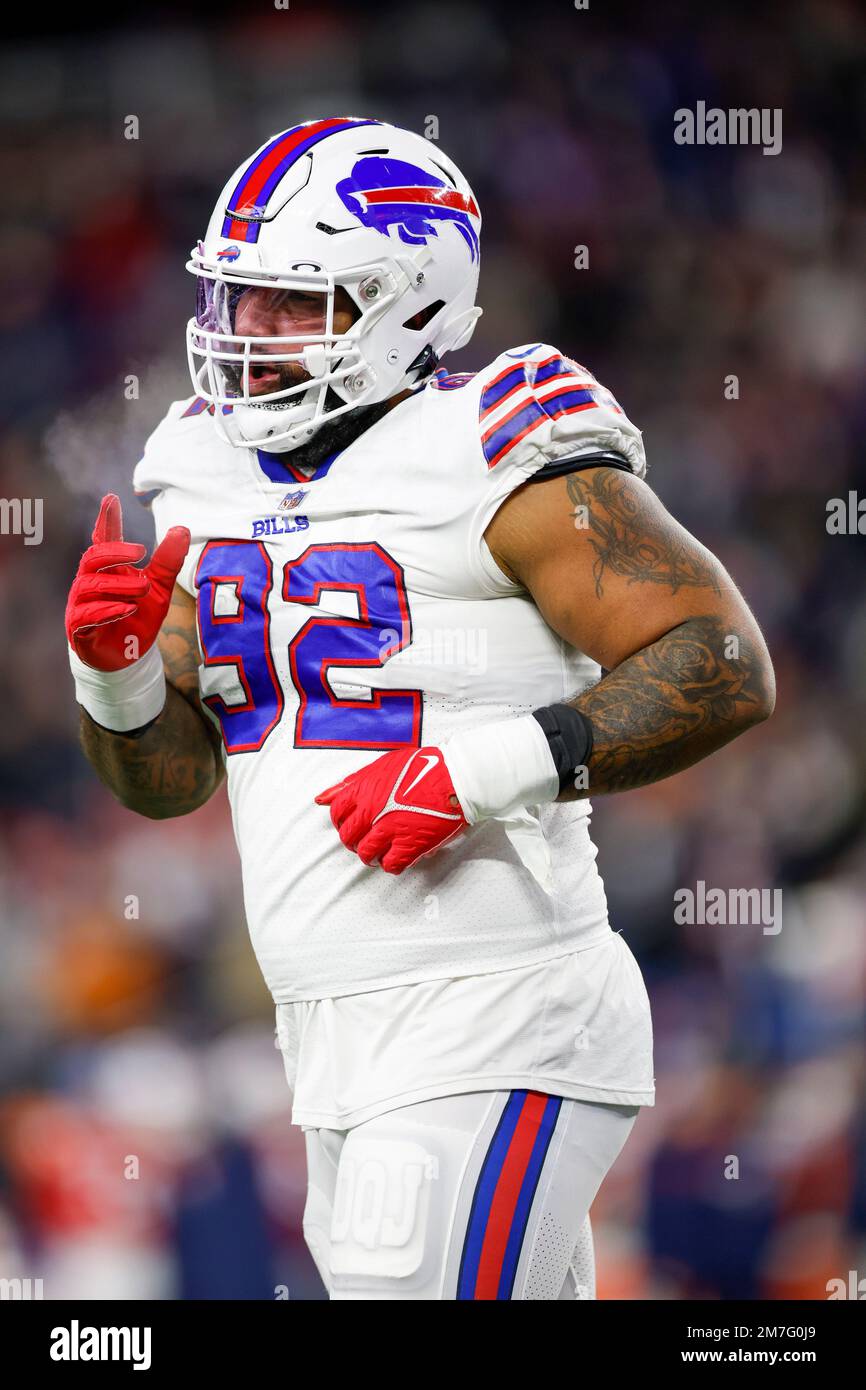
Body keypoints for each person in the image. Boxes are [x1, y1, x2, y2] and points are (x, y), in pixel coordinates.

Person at [65, 118, 775, 1300]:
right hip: (328, 1038)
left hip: (495, 1010)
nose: (250, 335)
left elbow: (719, 659)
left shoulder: (492, 440)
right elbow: (170, 781)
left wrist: (484, 769)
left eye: (295, 304)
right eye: (238, 300)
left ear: (407, 299)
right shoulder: (198, 463)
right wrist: (116, 675)